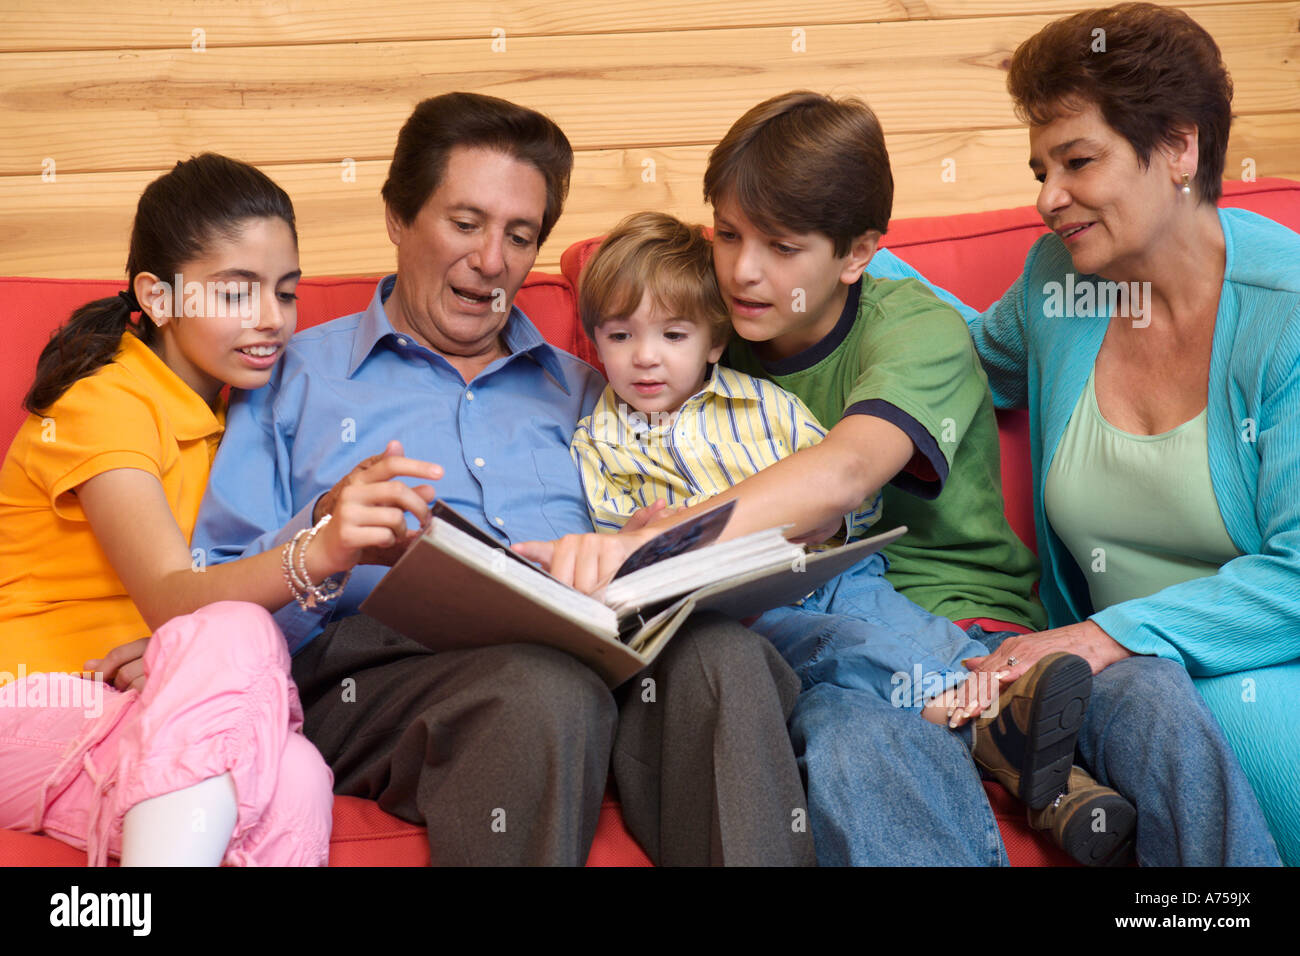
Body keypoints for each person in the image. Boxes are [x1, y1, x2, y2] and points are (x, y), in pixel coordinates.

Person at [521, 90, 1280, 866]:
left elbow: (847, 472)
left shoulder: (916, 330)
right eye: (726, 234)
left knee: (1151, 696)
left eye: (781, 248)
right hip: (817, 657)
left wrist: (663, 538)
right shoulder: (700, 337)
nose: (743, 272)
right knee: (862, 751)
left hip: (976, 629)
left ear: (857, 255)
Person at [191, 91, 815, 867]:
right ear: (397, 216)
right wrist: (325, 532)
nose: (492, 262)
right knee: (540, 690)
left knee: (725, 659)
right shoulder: (291, 380)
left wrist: (646, 541)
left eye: (519, 236)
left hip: (594, 660)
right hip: (378, 676)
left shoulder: (591, 386)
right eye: (465, 223)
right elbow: (209, 597)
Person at [567, 209, 1132, 864]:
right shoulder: (598, 443)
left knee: (909, 630)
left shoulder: (768, 405)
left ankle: (1042, 769)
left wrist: (833, 522)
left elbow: (852, 500)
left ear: (714, 342)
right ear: (594, 340)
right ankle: (1005, 737)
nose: (644, 357)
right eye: (618, 335)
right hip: (750, 608)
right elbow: (615, 566)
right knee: (842, 646)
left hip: (835, 571)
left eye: (672, 334)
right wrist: (639, 544)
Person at [955, 2, 1297, 865]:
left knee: (1250, 743)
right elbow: (959, 357)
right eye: (1040, 167)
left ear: (1180, 147)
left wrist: (1111, 636)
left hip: (1257, 661)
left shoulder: (1285, 319)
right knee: (1166, 722)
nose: (1046, 198)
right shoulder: (1060, 285)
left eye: (1077, 161)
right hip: (1128, 684)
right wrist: (836, 253)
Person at [0, 154, 334, 866]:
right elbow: (173, 599)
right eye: (237, 293)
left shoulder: (234, 422)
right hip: (27, 706)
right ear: (157, 298)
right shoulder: (105, 400)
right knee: (235, 627)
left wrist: (179, 658)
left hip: (142, 710)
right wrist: (319, 552)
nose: (272, 320)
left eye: (286, 292)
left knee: (302, 775)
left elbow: (191, 633)